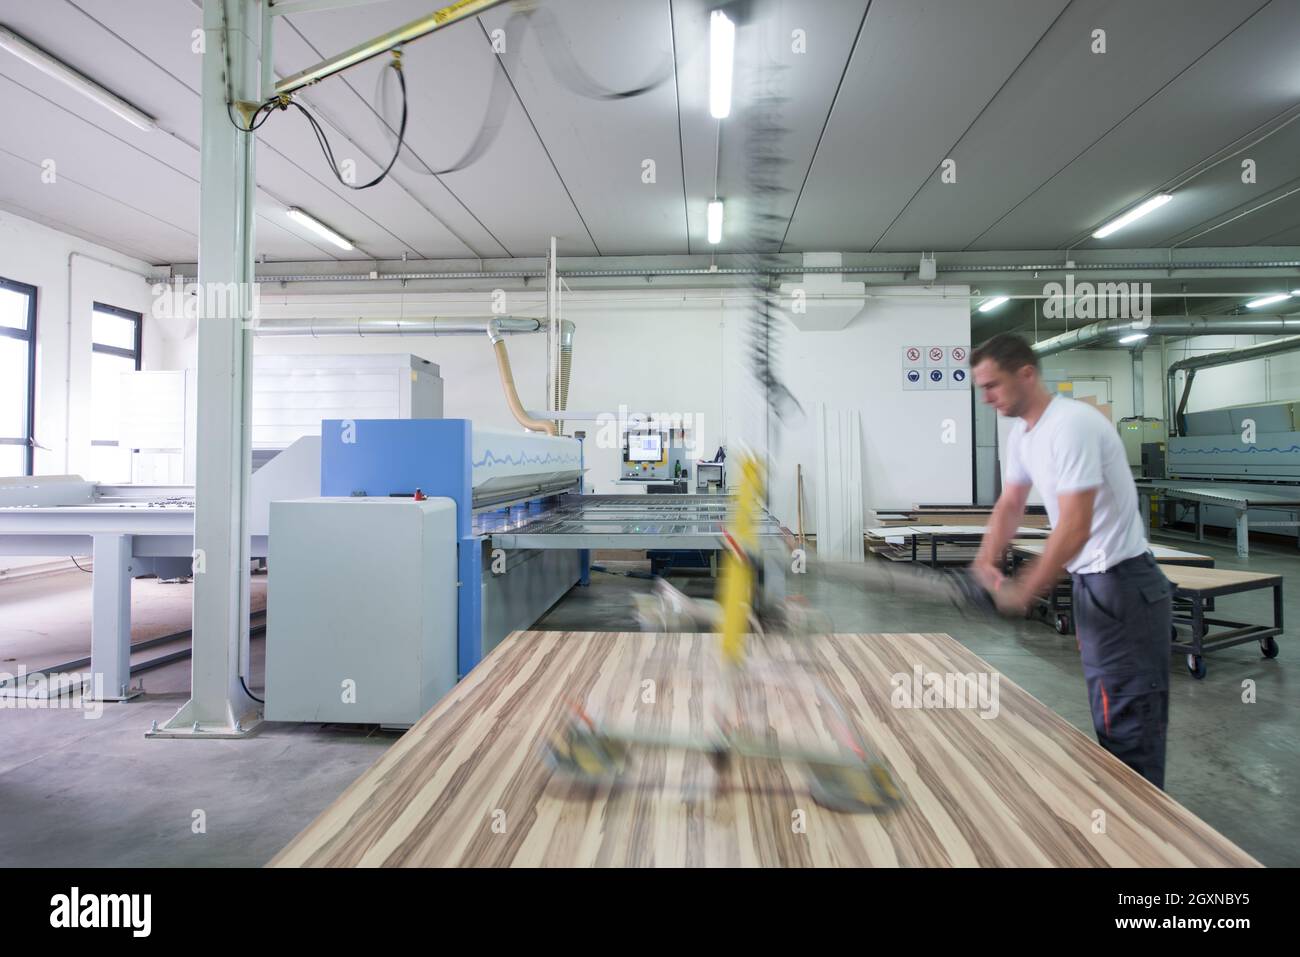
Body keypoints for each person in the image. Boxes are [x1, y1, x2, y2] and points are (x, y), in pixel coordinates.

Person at [970, 333, 1173, 789]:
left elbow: (1075, 527)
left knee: (1129, 726)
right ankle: (1127, 825)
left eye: (993, 386)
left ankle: (1143, 841)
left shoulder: (1071, 425)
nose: (987, 399)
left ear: (1027, 374)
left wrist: (1025, 588)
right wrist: (985, 564)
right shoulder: (1022, 434)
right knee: (1108, 708)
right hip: (1093, 585)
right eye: (981, 389)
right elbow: (1010, 503)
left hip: (1123, 586)